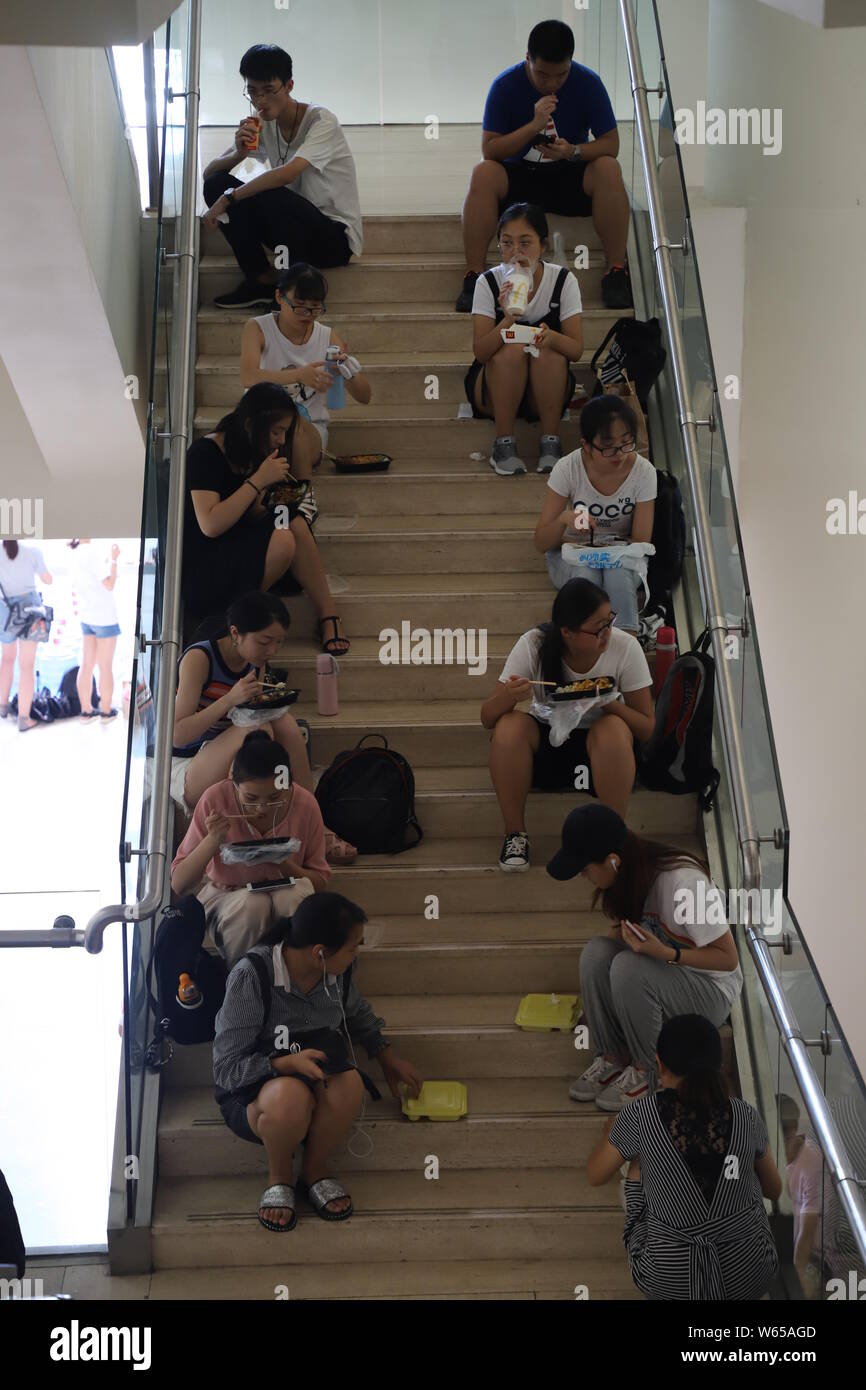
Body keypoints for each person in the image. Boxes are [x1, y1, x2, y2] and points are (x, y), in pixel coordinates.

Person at [213, 892, 423, 1230]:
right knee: (289, 1099)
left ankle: (314, 1170)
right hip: (259, 1089)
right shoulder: (252, 975)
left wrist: (386, 1056)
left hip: (318, 1067)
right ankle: (279, 1176)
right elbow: (226, 1069)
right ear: (320, 953)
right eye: (353, 946)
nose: (357, 953)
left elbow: (356, 1013)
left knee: (350, 1083)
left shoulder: (337, 972)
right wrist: (285, 1064)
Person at [548, 803, 743, 1112]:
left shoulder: (684, 885)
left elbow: (728, 959)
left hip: (711, 990)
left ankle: (647, 1072)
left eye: (585, 869)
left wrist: (665, 953)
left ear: (613, 861)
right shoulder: (632, 877)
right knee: (596, 952)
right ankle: (612, 1057)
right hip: (666, 979)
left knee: (628, 966)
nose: (583, 876)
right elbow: (613, 948)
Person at [587, 1013, 781, 1300]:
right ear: (721, 1065)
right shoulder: (745, 1115)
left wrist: (610, 1135)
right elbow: (774, 1190)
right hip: (750, 1273)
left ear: (659, 1063)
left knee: (637, 1167)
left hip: (669, 1279)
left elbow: (595, 1175)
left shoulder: (638, 1116)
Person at [456, 19, 632, 314]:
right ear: (528, 59)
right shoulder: (505, 85)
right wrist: (533, 126)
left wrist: (574, 151)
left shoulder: (588, 83)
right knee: (482, 173)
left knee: (608, 169)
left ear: (571, 63)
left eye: (561, 75)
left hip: (568, 173)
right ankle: (474, 275)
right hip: (521, 177)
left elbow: (611, 144)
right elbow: (490, 150)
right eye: (543, 75)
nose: (551, 83)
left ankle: (615, 271)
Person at [481, 578, 654, 871]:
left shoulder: (626, 648)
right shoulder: (534, 644)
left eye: (609, 622)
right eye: (598, 629)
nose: (607, 634)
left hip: (601, 751)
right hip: (549, 744)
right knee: (509, 727)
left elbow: (647, 728)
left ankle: (612, 836)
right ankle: (515, 835)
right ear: (567, 633)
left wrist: (608, 702)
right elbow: (487, 718)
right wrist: (508, 697)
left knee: (612, 729)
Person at [171, 590, 356, 863]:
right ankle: (245, 832)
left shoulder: (254, 661)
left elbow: (252, 715)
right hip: (186, 763)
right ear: (235, 633)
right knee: (257, 731)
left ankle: (314, 824)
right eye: (265, 641)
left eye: (278, 643)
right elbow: (177, 735)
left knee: (285, 724)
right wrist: (230, 699)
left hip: (226, 748)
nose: (272, 651)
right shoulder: (200, 659)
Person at [182, 382, 350, 655]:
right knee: (283, 539)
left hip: (239, 548)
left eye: (284, 432)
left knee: (291, 519)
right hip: (207, 569)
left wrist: (267, 500)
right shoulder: (205, 453)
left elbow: (247, 515)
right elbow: (210, 525)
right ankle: (240, 620)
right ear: (250, 425)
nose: (281, 440)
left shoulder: (249, 449)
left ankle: (328, 614)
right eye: (277, 432)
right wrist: (257, 480)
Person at [202, 44, 363, 309]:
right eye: (252, 91)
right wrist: (238, 155)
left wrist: (231, 198)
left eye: (268, 91)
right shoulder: (261, 122)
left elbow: (287, 174)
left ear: (289, 86)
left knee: (268, 190)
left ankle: (291, 288)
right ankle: (261, 280)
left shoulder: (322, 121)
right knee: (216, 184)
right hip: (289, 228)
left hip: (332, 238)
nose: (260, 100)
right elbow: (210, 174)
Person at [171, 730, 330, 966]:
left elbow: (319, 882)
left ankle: (295, 985)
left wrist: (283, 862)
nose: (262, 809)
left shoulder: (305, 803)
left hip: (286, 892)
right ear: (232, 781)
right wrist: (212, 839)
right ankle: (245, 985)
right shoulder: (215, 799)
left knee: (293, 896)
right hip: (228, 897)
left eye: (275, 797)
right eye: (251, 798)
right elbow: (179, 883)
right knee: (251, 905)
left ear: (288, 783)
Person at [465, 203, 583, 476]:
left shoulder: (563, 281)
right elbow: (481, 352)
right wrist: (507, 318)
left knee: (550, 352)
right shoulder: (488, 282)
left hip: (545, 389)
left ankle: (550, 443)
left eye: (525, 243)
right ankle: (503, 445)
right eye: (507, 244)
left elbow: (576, 350)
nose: (516, 253)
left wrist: (551, 337)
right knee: (511, 351)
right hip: (494, 388)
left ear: (542, 246)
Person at [534, 396, 657, 633]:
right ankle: (584, 643)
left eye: (626, 443)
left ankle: (626, 644)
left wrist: (607, 549)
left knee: (617, 572)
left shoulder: (643, 472)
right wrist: (564, 519)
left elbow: (641, 540)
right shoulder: (568, 468)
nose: (619, 454)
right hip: (573, 555)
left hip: (620, 555)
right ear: (587, 445)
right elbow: (541, 542)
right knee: (585, 575)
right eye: (608, 447)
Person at [240, 262, 372, 453]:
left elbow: (365, 397)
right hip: (264, 421)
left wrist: (346, 371)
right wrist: (299, 375)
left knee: (295, 432)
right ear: (279, 297)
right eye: (300, 306)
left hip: (310, 427)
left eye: (315, 308)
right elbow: (248, 377)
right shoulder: (257, 328)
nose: (307, 315)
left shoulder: (326, 336)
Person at [780, 1092, 835, 1298]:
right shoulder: (766, 1153)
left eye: (783, 1141)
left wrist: (794, 1275)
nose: (778, 1149)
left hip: (814, 1257)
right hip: (782, 1245)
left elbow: (807, 1230)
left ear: (794, 1131)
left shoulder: (812, 1162)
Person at [0, 539, 53, 733]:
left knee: (6, 659)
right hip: (29, 607)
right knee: (27, 665)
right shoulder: (33, 551)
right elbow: (48, 579)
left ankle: (3, 707)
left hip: (4, 609)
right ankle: (23, 717)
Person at [68, 539, 122, 721]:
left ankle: (86, 711)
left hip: (87, 616)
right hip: (104, 617)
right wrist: (114, 559)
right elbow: (109, 584)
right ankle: (106, 711)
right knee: (105, 666)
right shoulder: (91, 552)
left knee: (87, 664)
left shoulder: (74, 552)